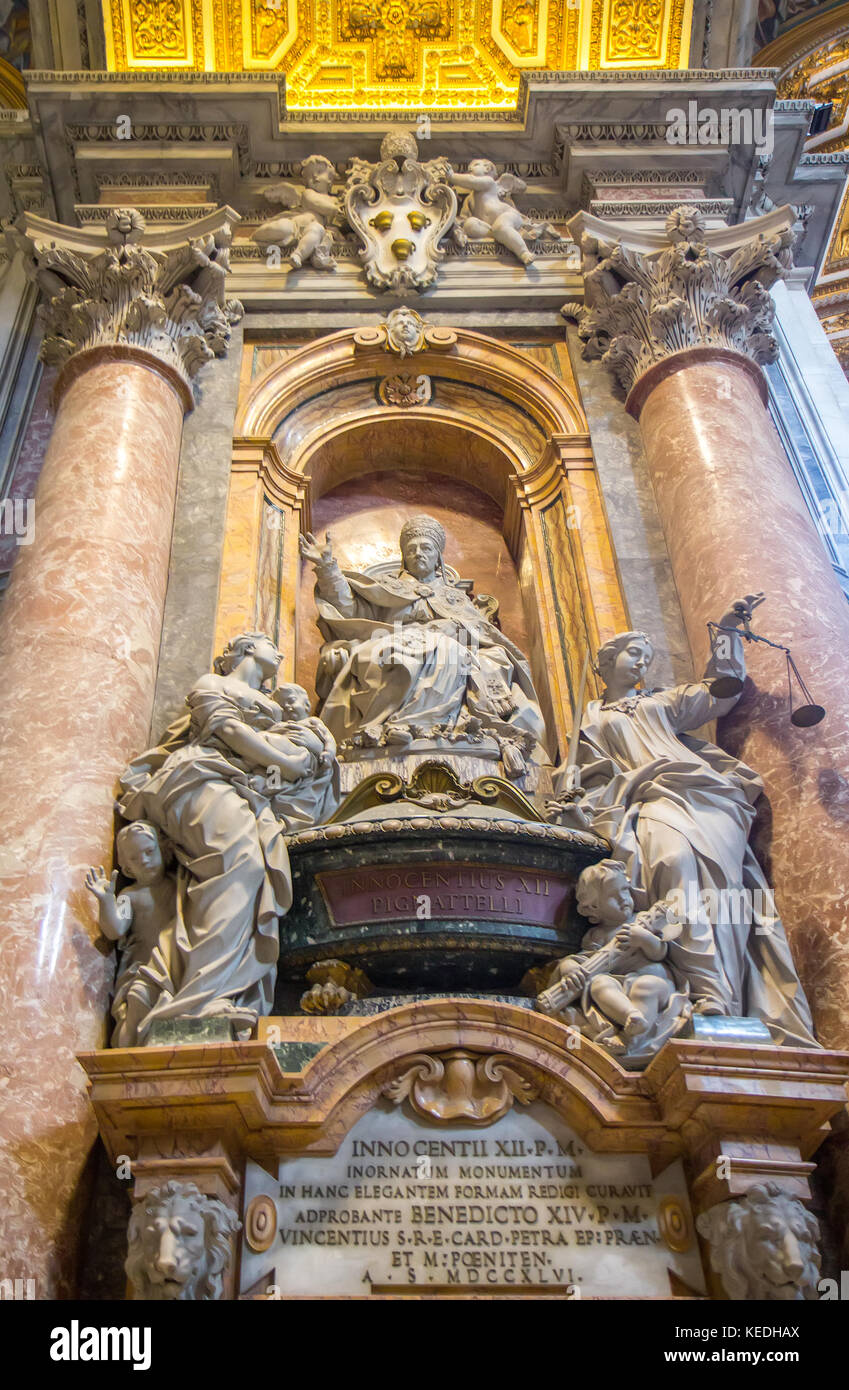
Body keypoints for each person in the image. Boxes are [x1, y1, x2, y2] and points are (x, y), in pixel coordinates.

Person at [550, 595, 816, 1047]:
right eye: (634, 654)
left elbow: (719, 692)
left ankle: (721, 1001)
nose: (642, 664)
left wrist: (729, 632)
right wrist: (573, 801)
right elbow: (586, 780)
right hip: (646, 797)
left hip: (706, 798)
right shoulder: (588, 719)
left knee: (719, 895)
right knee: (672, 868)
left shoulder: (664, 703)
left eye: (648, 658)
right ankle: (707, 990)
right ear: (608, 661)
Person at [116, 632, 315, 1032]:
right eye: (268, 643)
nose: (278, 651)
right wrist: (287, 763)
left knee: (244, 871)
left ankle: (201, 988)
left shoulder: (276, 704)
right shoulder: (214, 684)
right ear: (246, 650)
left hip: (238, 788)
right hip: (199, 778)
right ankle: (198, 1001)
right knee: (241, 864)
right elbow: (232, 733)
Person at [298, 513, 546, 760]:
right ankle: (394, 728)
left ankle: (426, 729)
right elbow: (350, 610)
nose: (418, 553)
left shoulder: (455, 598)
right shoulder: (386, 588)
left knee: (461, 652)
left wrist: (452, 628)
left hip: (449, 647)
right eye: (411, 548)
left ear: (438, 555)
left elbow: (482, 634)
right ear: (404, 556)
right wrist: (328, 569)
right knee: (411, 652)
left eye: (426, 547)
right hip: (390, 641)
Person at [536, 858, 689, 1064]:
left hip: (650, 979)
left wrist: (644, 939)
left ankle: (632, 1035)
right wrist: (569, 967)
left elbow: (660, 952)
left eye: (624, 891)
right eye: (613, 897)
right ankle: (631, 1017)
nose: (623, 899)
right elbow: (584, 960)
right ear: (593, 909)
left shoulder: (642, 921)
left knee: (646, 987)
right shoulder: (596, 937)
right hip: (618, 984)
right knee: (599, 984)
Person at [85, 822, 178, 1047]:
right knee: (138, 1002)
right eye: (135, 858)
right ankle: (124, 1052)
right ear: (126, 868)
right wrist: (106, 900)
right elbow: (115, 929)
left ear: (163, 850)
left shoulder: (179, 886)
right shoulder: (130, 895)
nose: (144, 860)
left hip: (174, 967)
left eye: (149, 852)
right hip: (141, 967)